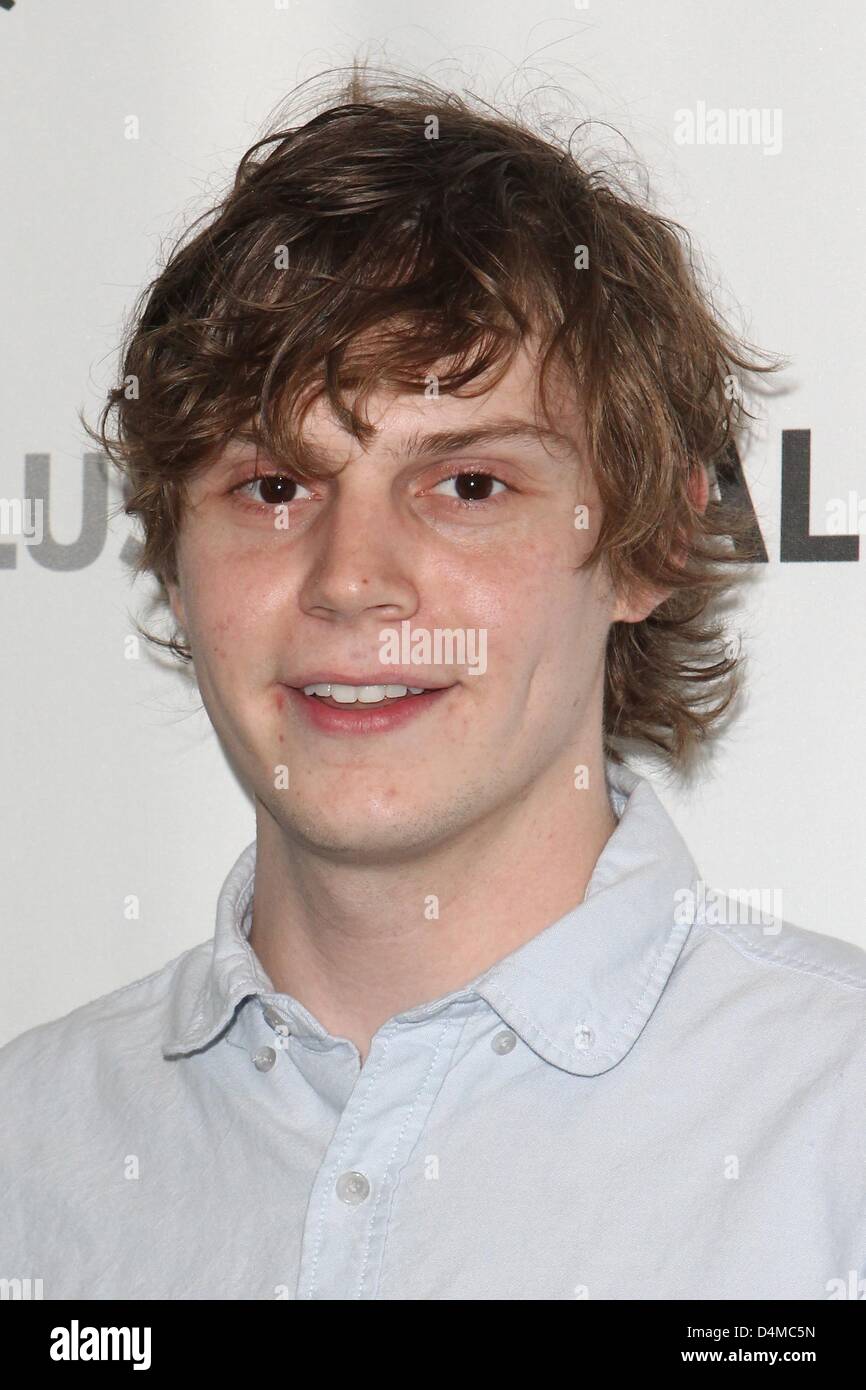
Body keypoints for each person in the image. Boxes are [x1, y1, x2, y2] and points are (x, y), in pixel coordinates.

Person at [2, 65, 863, 1302]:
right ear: (171, 562)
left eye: (467, 486)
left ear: (647, 546)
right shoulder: (30, 1155)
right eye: (272, 486)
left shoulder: (835, 1135)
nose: (352, 581)